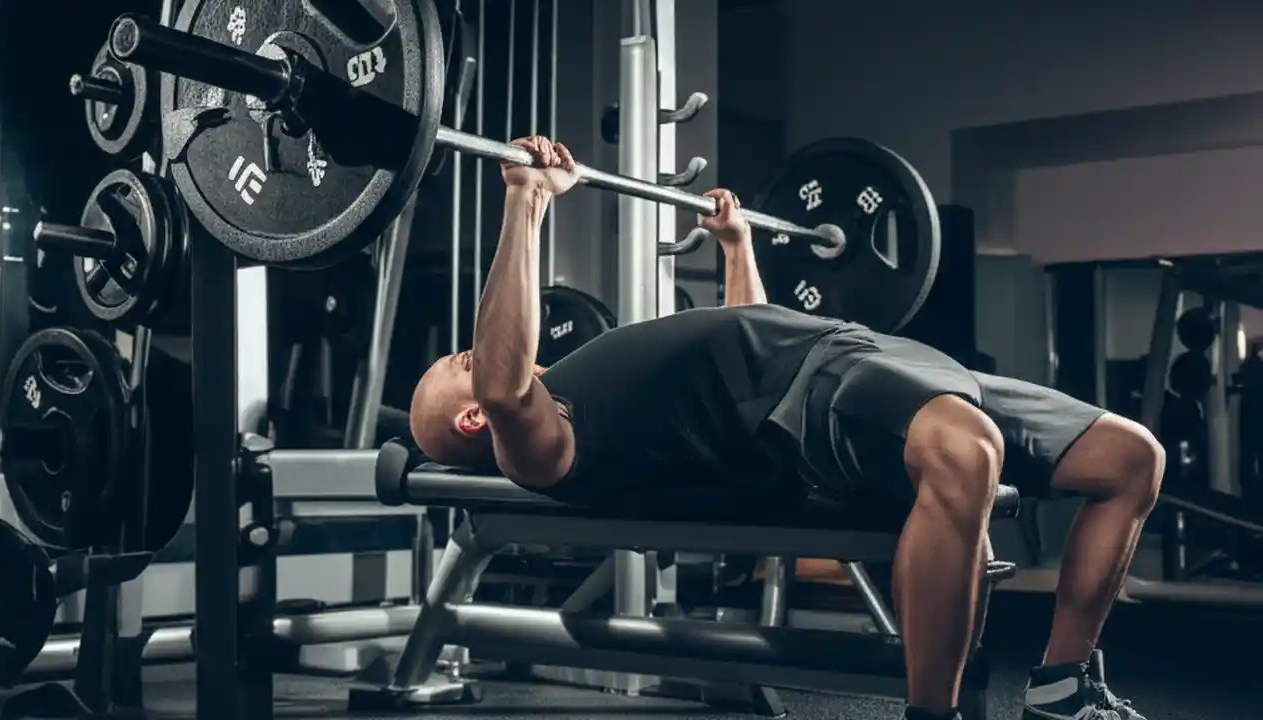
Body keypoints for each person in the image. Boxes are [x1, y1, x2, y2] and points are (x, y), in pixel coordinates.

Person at [409, 136, 1162, 720]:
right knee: (967, 452)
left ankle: (1063, 686)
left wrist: (737, 247)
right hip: (820, 388)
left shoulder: (585, 378)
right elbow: (508, 385)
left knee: (1130, 458)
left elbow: (751, 329)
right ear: (474, 413)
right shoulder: (543, 443)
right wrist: (527, 201)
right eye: (455, 363)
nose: (465, 353)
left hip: (870, 352)